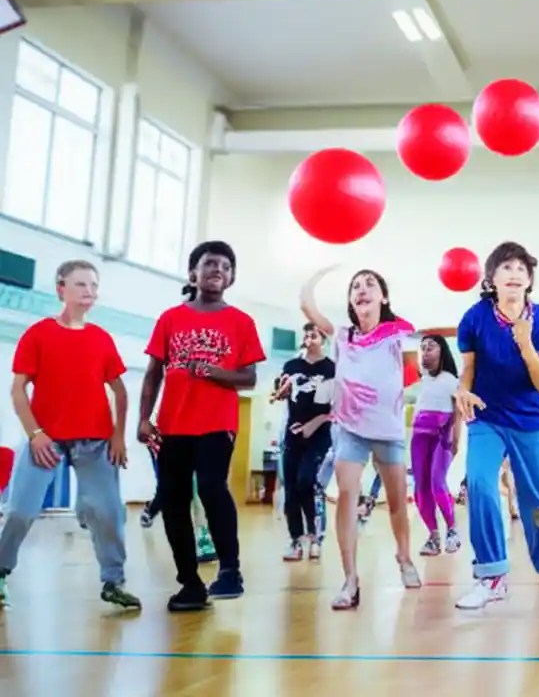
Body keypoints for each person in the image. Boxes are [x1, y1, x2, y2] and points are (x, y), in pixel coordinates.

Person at [0, 260, 139, 610]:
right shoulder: (38, 334)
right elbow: (18, 390)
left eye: (93, 285)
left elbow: (121, 392)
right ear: (61, 288)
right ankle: (1, 571)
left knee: (109, 511)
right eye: (81, 284)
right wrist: (35, 434)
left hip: (94, 442)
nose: (89, 291)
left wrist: (118, 436)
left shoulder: (101, 339)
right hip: (45, 439)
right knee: (19, 510)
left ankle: (113, 581)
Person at [138, 241, 264, 611]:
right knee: (174, 501)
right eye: (210, 263)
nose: (217, 270)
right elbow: (152, 374)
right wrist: (144, 418)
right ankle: (189, 583)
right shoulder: (170, 318)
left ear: (232, 277)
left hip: (216, 423)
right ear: (192, 273)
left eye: (225, 266)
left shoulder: (241, 322)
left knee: (211, 486)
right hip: (172, 424)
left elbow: (250, 377)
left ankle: (230, 570)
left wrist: (214, 372)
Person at [452, 242, 539, 614]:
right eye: (506, 268)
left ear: (529, 280)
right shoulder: (475, 317)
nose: (514, 273)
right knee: (479, 484)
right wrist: (462, 389)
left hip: (529, 422)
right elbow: (469, 368)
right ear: (491, 279)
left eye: (522, 269)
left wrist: (525, 342)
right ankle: (490, 577)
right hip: (487, 416)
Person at [300, 267, 422, 610]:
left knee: (397, 504)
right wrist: (316, 276)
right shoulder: (342, 335)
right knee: (348, 499)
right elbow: (308, 308)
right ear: (351, 300)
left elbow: (429, 345)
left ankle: (404, 557)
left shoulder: (398, 333)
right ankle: (350, 579)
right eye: (356, 286)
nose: (362, 289)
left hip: (389, 432)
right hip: (350, 429)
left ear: (383, 297)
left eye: (370, 284)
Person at [276, 322, 335, 561]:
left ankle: (315, 535)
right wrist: (282, 389)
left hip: (319, 434)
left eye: (314, 335)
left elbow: (335, 407)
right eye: (306, 335)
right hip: (293, 432)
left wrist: (315, 423)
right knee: (291, 488)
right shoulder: (292, 365)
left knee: (306, 481)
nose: (309, 338)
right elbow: (282, 389)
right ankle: (295, 539)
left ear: (322, 340)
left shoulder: (331, 368)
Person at [409, 332, 462, 557]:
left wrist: (455, 441)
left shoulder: (451, 380)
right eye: (423, 348)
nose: (425, 351)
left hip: (441, 437)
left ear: (442, 352)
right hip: (419, 437)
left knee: (436, 482)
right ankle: (433, 535)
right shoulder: (422, 381)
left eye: (430, 347)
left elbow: (458, 414)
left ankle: (452, 530)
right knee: (420, 488)